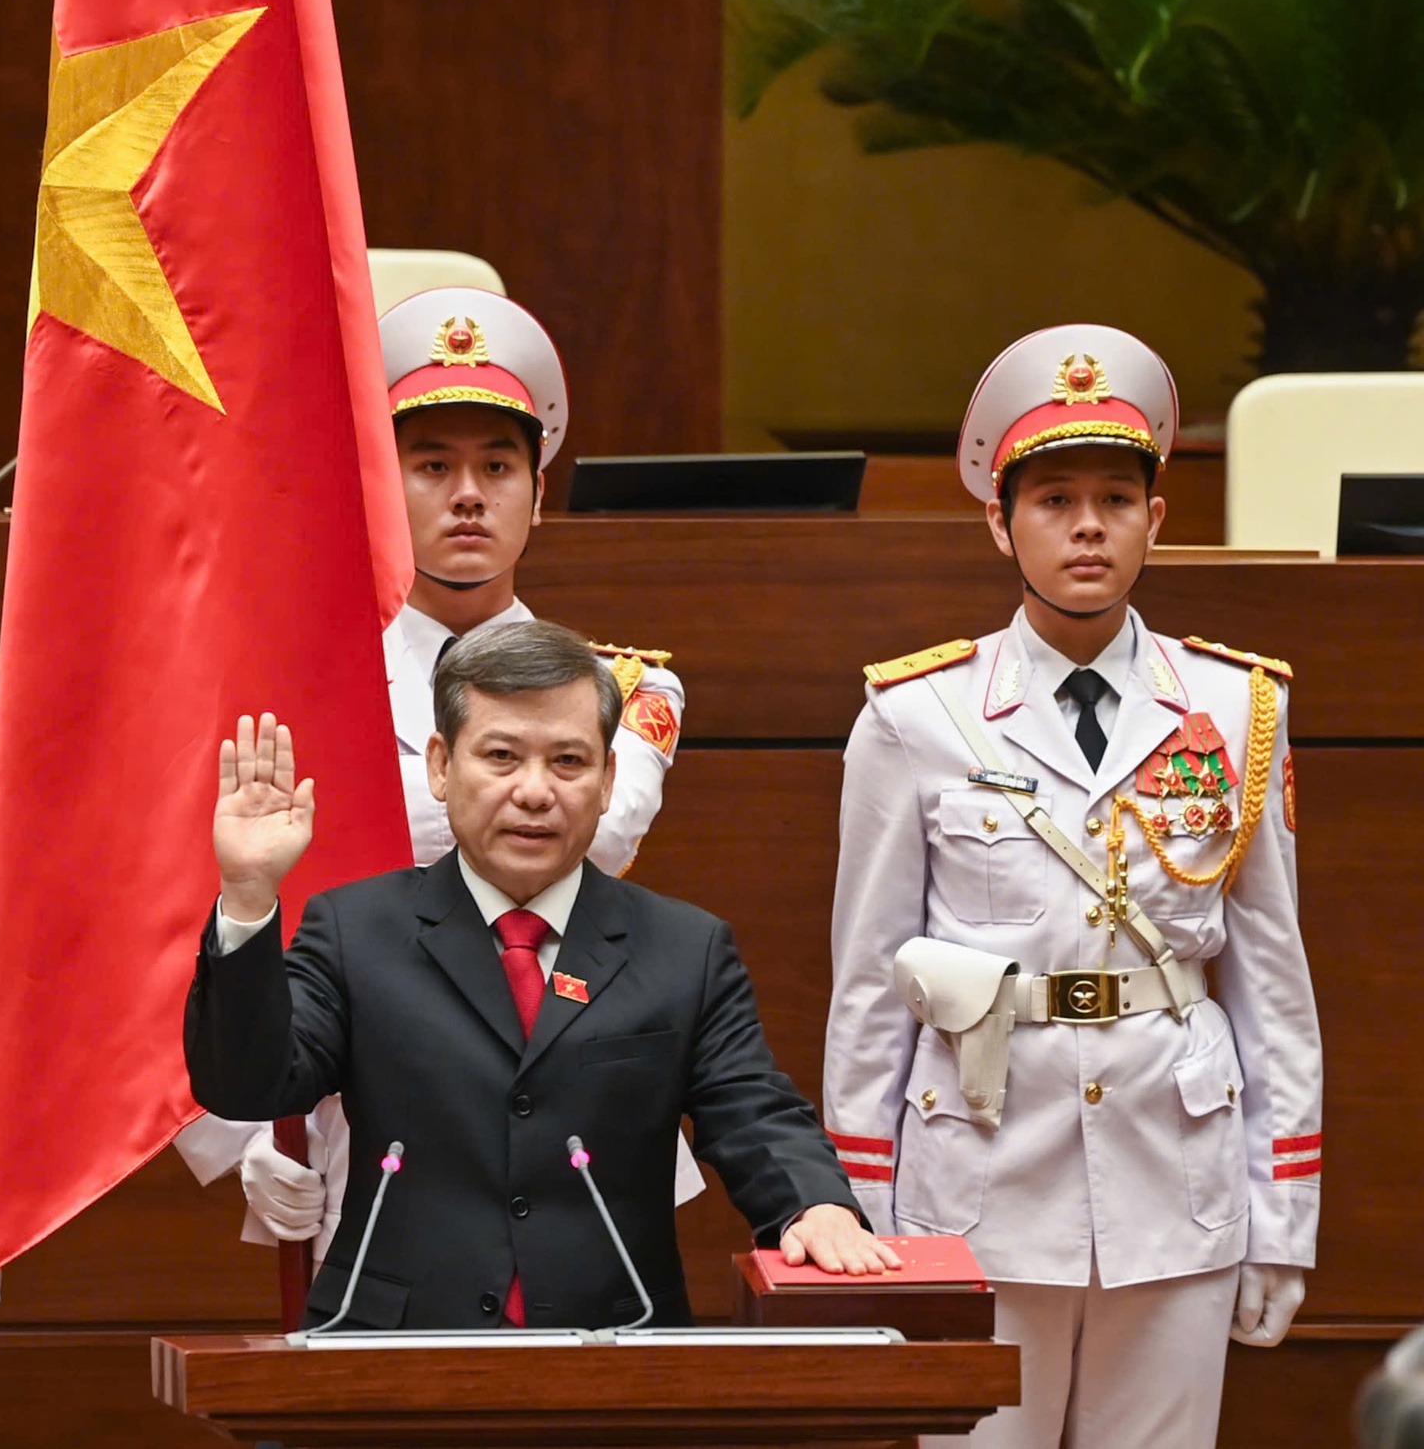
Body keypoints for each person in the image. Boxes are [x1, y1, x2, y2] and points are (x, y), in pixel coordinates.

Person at [824, 325, 1321, 1448]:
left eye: (1113, 495)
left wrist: (1281, 1213)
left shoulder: (1233, 709)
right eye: (1051, 498)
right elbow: (866, 985)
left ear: (1158, 514)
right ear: (999, 520)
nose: (1086, 523)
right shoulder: (915, 716)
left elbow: (1269, 979)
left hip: (1175, 1171)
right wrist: (867, 1224)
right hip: (978, 1178)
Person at [174, 287, 697, 1258]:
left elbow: (593, 835)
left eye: (497, 465)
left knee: (580, 1404)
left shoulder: (623, 685)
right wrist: (248, 1128)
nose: (467, 493)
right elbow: (223, 905)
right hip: (364, 1118)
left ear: (539, 496)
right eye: (430, 464)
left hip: (577, 1115)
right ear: (378, 485)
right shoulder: (297, 693)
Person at [187, 620, 892, 1329]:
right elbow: (247, 1083)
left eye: (568, 762)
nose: (534, 791)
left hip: (615, 1352)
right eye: (501, 756)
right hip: (393, 1351)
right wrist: (248, 898)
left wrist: (814, 1204)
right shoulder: (355, 931)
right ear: (440, 765)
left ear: (608, 778)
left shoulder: (684, 948)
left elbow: (753, 1109)